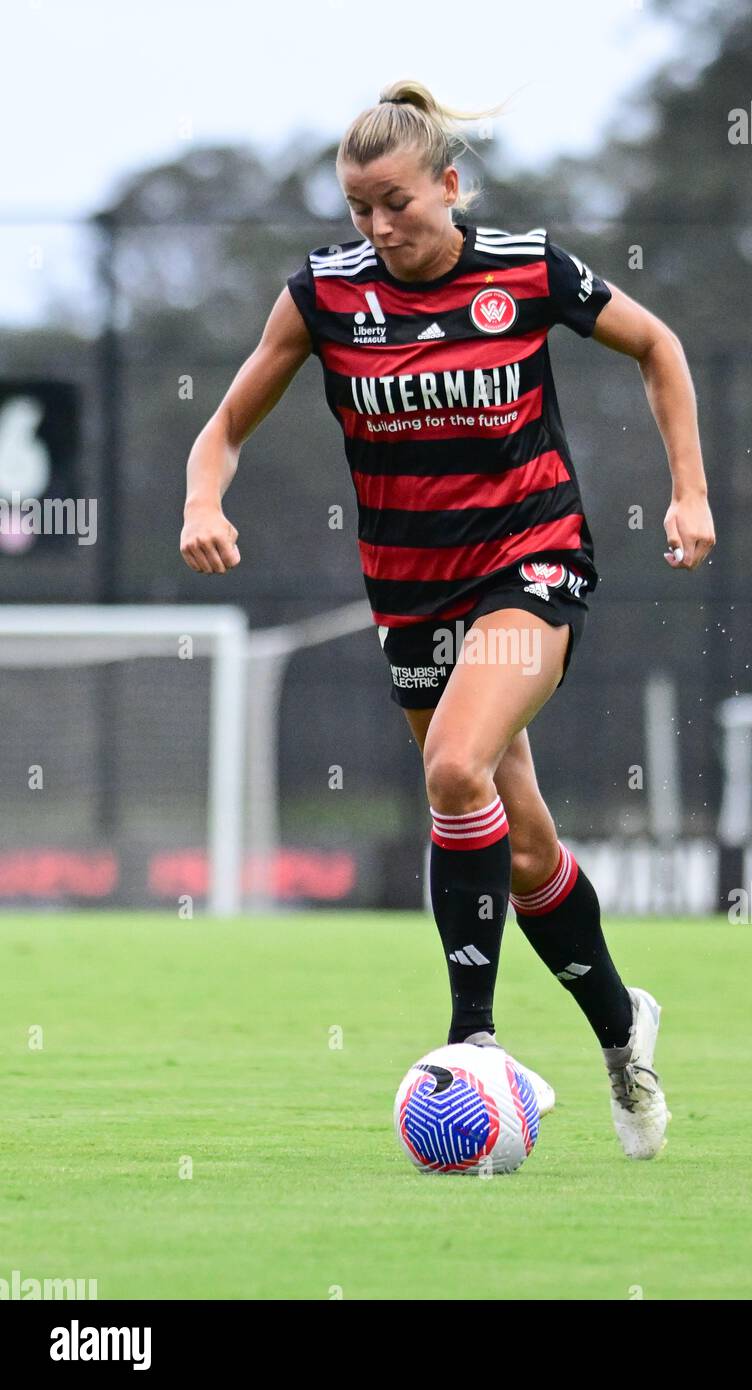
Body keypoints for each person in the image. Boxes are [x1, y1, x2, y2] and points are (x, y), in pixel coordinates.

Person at [180, 80, 714, 1158]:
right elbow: (226, 423)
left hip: (534, 563)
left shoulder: (524, 267)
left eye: (398, 205)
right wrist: (203, 495)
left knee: (456, 768)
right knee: (521, 844)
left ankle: (472, 1040)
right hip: (411, 595)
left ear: (450, 185)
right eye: (358, 208)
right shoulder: (323, 295)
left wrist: (691, 489)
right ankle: (623, 1031)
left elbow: (659, 346)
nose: (379, 228)